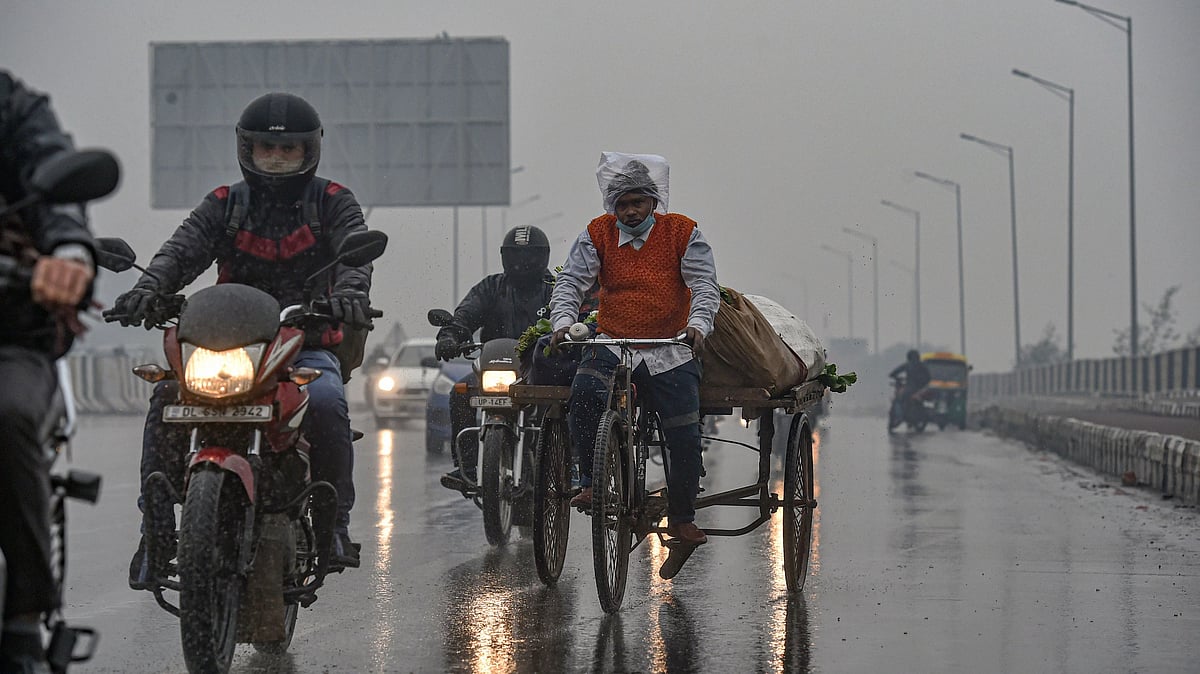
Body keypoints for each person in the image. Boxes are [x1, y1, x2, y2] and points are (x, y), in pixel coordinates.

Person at [109, 92, 374, 581]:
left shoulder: (333, 202)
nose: (275, 159)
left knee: (327, 399)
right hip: (227, 343)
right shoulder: (225, 204)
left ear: (308, 151)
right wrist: (147, 289)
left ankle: (334, 523)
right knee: (167, 396)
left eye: (288, 150)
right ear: (246, 149)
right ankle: (156, 530)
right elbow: (180, 251)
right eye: (265, 150)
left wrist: (350, 294)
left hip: (305, 339)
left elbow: (356, 258)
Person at [548, 152, 719, 546]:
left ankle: (681, 517)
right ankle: (592, 481)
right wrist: (561, 324)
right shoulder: (597, 232)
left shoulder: (682, 231)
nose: (628, 211)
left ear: (653, 202)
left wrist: (698, 325)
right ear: (612, 206)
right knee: (586, 393)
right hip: (613, 341)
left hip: (669, 346)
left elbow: (704, 285)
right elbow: (571, 282)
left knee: (684, 434)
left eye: (636, 203)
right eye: (621, 204)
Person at [0, 71, 98, 674]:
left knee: (7, 414)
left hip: (10, 325)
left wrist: (70, 253)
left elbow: (57, 189)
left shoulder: (13, 107)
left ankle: (23, 621)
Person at [433, 225, 554, 490]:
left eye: (530, 256)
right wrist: (450, 335)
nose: (523, 263)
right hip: (495, 368)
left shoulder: (555, 290)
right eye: (516, 256)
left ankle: (572, 463)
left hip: (542, 369)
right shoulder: (491, 288)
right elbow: (465, 315)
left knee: (565, 397)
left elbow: (575, 318)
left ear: (543, 256)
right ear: (504, 257)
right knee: (460, 392)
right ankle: (468, 465)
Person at [889, 349, 931, 420]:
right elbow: (928, 377)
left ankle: (903, 414)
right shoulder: (921, 365)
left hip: (910, 387)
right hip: (919, 387)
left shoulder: (908, 364)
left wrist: (893, 375)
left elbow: (895, 372)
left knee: (901, 398)